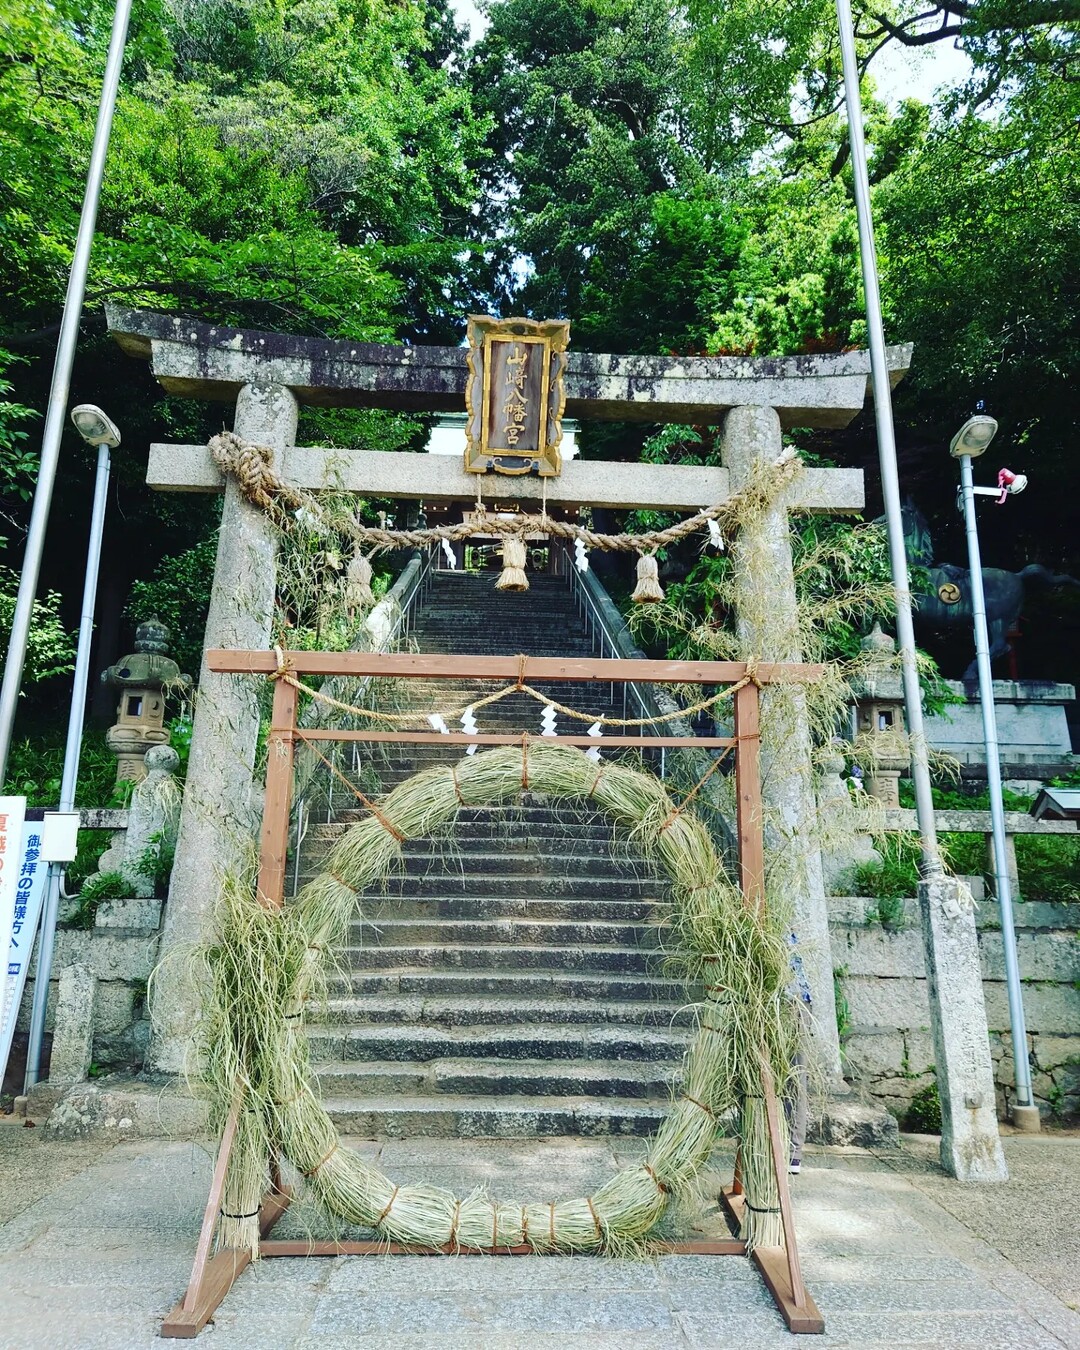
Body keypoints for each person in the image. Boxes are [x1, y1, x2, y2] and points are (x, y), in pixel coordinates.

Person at [785, 931, 812, 1174]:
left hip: (791, 1001)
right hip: (775, 998)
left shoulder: (775, 919)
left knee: (795, 1075)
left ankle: (794, 1152)